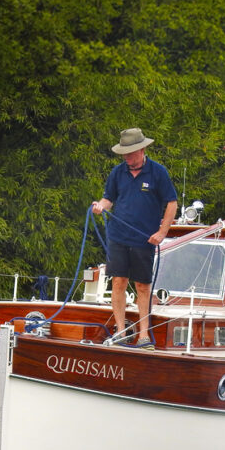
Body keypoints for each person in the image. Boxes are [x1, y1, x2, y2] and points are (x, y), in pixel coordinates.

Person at [91, 127, 178, 348]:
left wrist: (162, 232)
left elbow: (171, 203)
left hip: (145, 239)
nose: (127, 158)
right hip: (118, 236)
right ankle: (120, 331)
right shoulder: (117, 173)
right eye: (124, 154)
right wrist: (100, 206)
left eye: (130, 153)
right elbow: (108, 198)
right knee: (118, 282)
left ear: (142, 150)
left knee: (143, 286)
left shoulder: (158, 172)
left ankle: (144, 335)